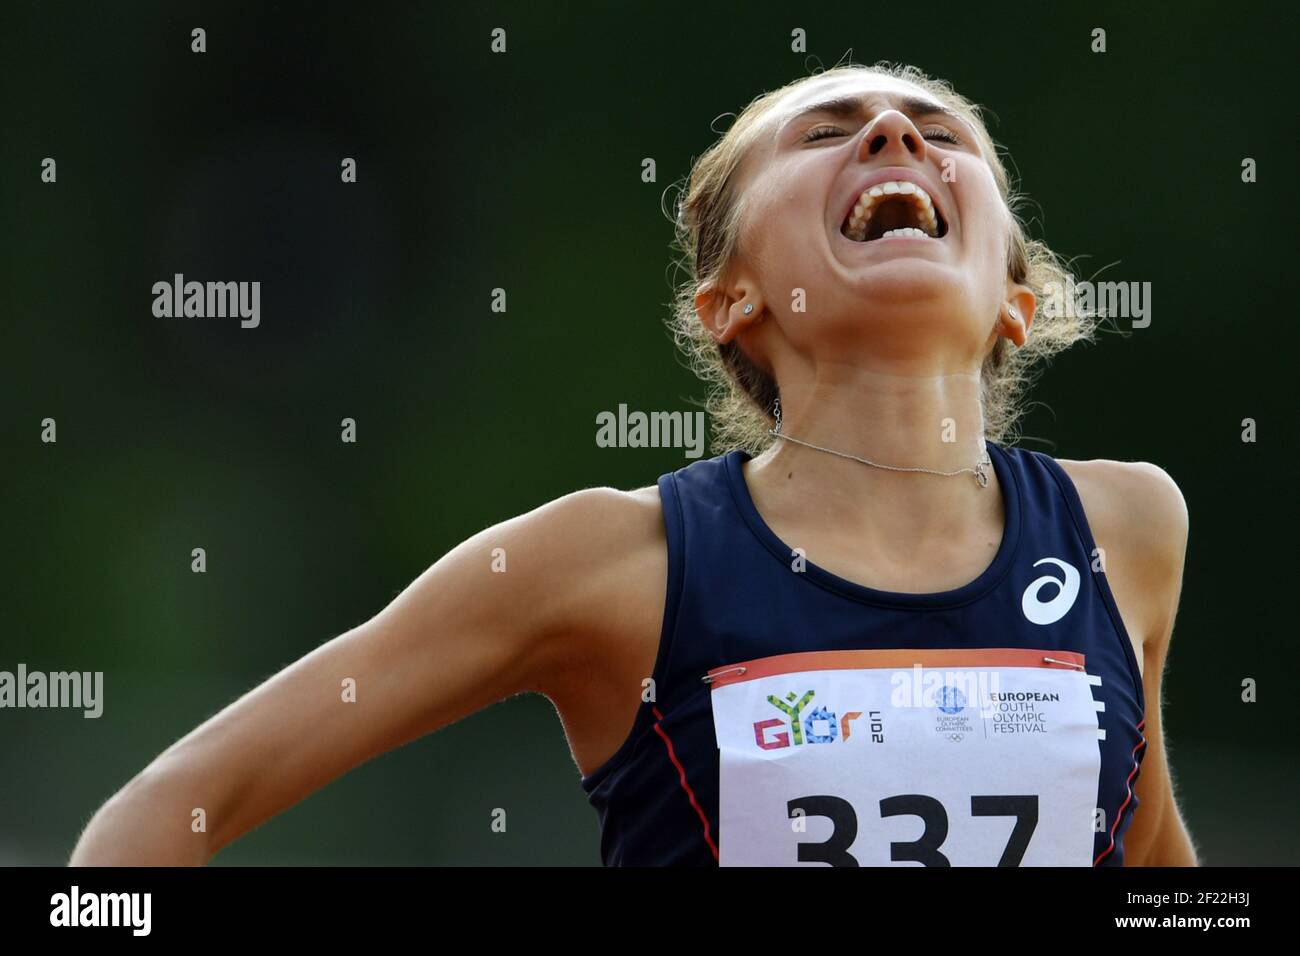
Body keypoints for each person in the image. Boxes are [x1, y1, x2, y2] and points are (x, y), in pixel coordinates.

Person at [70, 61, 1196, 867]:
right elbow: (162, 813)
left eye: (941, 131)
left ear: (1014, 292)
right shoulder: (614, 562)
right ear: (731, 299)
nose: (896, 135)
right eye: (824, 131)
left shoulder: (1126, 529)